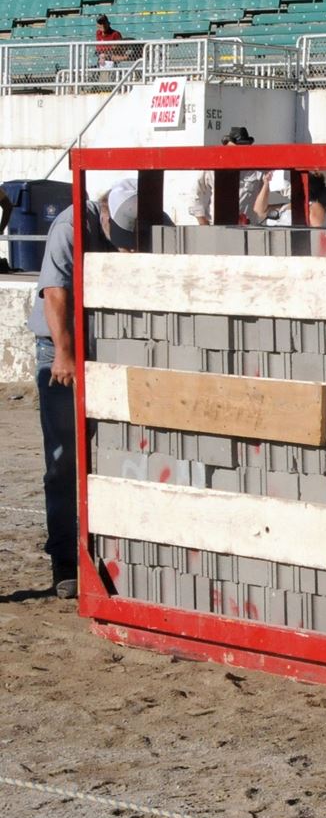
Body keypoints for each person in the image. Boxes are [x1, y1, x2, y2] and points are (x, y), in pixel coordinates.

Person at [34, 178, 146, 597]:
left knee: (121, 453)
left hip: (111, 345)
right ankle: (65, 560)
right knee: (65, 460)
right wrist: (65, 353)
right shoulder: (69, 225)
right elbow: (55, 292)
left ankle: (117, 554)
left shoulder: (149, 216)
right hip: (63, 347)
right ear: (103, 212)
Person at [189, 126, 273, 224]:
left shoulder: (257, 170)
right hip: (217, 227)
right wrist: (202, 220)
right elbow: (196, 193)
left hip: (247, 228)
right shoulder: (212, 167)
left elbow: (263, 205)